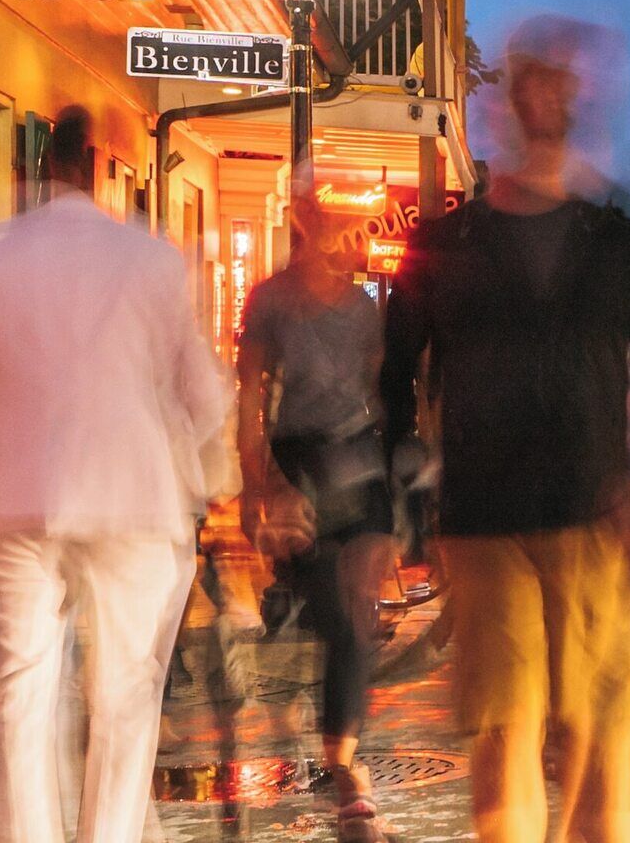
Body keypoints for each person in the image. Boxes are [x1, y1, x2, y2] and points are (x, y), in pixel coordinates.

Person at [380, 15, 630, 843]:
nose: (545, 93)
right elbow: (393, 377)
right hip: (485, 522)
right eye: (529, 77)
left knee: (600, 739)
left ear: (577, 99)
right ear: (503, 101)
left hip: (597, 516)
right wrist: (404, 516)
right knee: (508, 727)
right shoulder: (446, 245)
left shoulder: (618, 246)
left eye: (560, 78)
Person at [0, 108, 236, 843]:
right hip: (132, 495)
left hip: (16, 492)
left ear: (39, 169)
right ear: (98, 168)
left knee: (23, 695)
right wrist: (215, 470)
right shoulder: (152, 259)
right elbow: (199, 384)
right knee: (126, 694)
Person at [238, 198, 396, 842]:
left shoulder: (361, 308)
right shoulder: (268, 299)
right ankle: (342, 760)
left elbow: (380, 389)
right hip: (297, 463)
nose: (332, 237)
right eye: (320, 225)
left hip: (359, 462)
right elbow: (251, 397)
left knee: (356, 613)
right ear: (304, 232)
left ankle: (344, 762)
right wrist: (256, 486)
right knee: (335, 606)